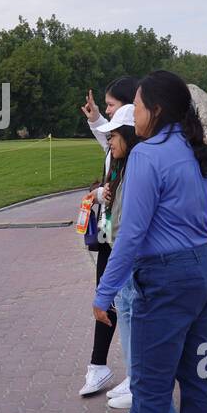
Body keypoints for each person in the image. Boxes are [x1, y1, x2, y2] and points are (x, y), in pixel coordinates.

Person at [76, 71, 207, 413]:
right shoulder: (199, 152)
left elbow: (131, 235)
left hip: (167, 279)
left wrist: (104, 292)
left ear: (154, 111)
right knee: (198, 378)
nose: (130, 114)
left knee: (151, 386)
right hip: (205, 272)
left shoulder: (148, 156)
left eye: (135, 106)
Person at [94, 104, 182, 413]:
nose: (109, 141)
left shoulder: (141, 167)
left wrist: (104, 291)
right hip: (137, 273)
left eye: (114, 134)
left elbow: (132, 234)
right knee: (138, 361)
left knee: (145, 364)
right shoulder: (129, 166)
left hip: (142, 271)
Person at [77, 75, 138, 396]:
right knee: (113, 299)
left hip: (125, 237)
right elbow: (111, 145)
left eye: (112, 106)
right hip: (109, 234)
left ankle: (134, 376)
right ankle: (99, 366)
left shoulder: (140, 152)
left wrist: (102, 193)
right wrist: (96, 118)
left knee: (123, 302)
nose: (109, 112)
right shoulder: (119, 141)